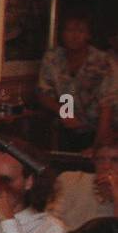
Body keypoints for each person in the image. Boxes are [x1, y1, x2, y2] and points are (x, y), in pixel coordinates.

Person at [37, 12, 115, 152]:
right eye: (69, 30)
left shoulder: (103, 61)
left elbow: (107, 107)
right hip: (68, 128)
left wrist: (98, 147)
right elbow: (44, 94)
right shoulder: (52, 58)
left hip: (101, 130)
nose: (74, 36)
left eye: (80, 31)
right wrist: (65, 113)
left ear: (89, 35)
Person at [49, 143, 118, 230]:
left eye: (115, 160)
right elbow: (50, 219)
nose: (106, 166)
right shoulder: (71, 180)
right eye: (100, 159)